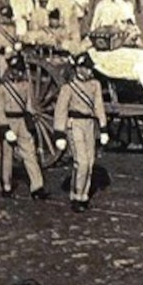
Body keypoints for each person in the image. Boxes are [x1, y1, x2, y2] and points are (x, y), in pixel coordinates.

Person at [53, 52, 108, 212]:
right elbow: (61, 110)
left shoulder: (95, 85)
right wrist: (59, 133)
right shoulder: (68, 88)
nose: (90, 71)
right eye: (87, 68)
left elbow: (99, 106)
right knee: (81, 162)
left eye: (90, 68)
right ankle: (76, 195)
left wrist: (103, 128)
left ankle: (83, 196)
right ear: (79, 69)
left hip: (89, 125)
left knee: (90, 162)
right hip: (74, 124)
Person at [0, 55, 49, 199]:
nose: (16, 73)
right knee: (6, 156)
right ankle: (6, 185)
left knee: (30, 153)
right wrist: (5, 129)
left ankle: (37, 186)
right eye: (14, 70)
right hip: (8, 121)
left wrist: (33, 117)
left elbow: (29, 105)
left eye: (19, 70)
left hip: (22, 122)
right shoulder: (1, 88)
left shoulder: (26, 85)